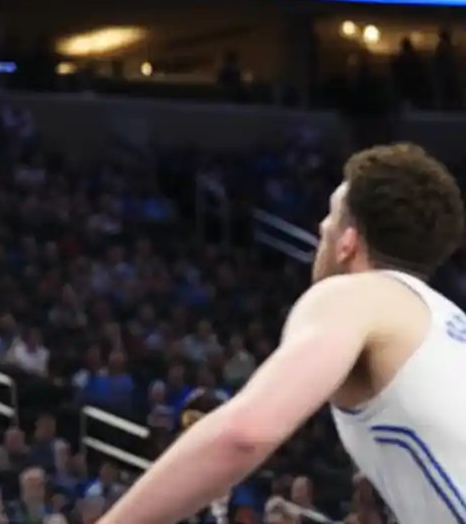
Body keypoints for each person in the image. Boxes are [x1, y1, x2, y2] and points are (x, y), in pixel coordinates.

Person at [101, 143, 466, 524]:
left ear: (347, 243)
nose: (321, 231)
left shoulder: (355, 295)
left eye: (329, 221)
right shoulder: (448, 322)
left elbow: (243, 434)